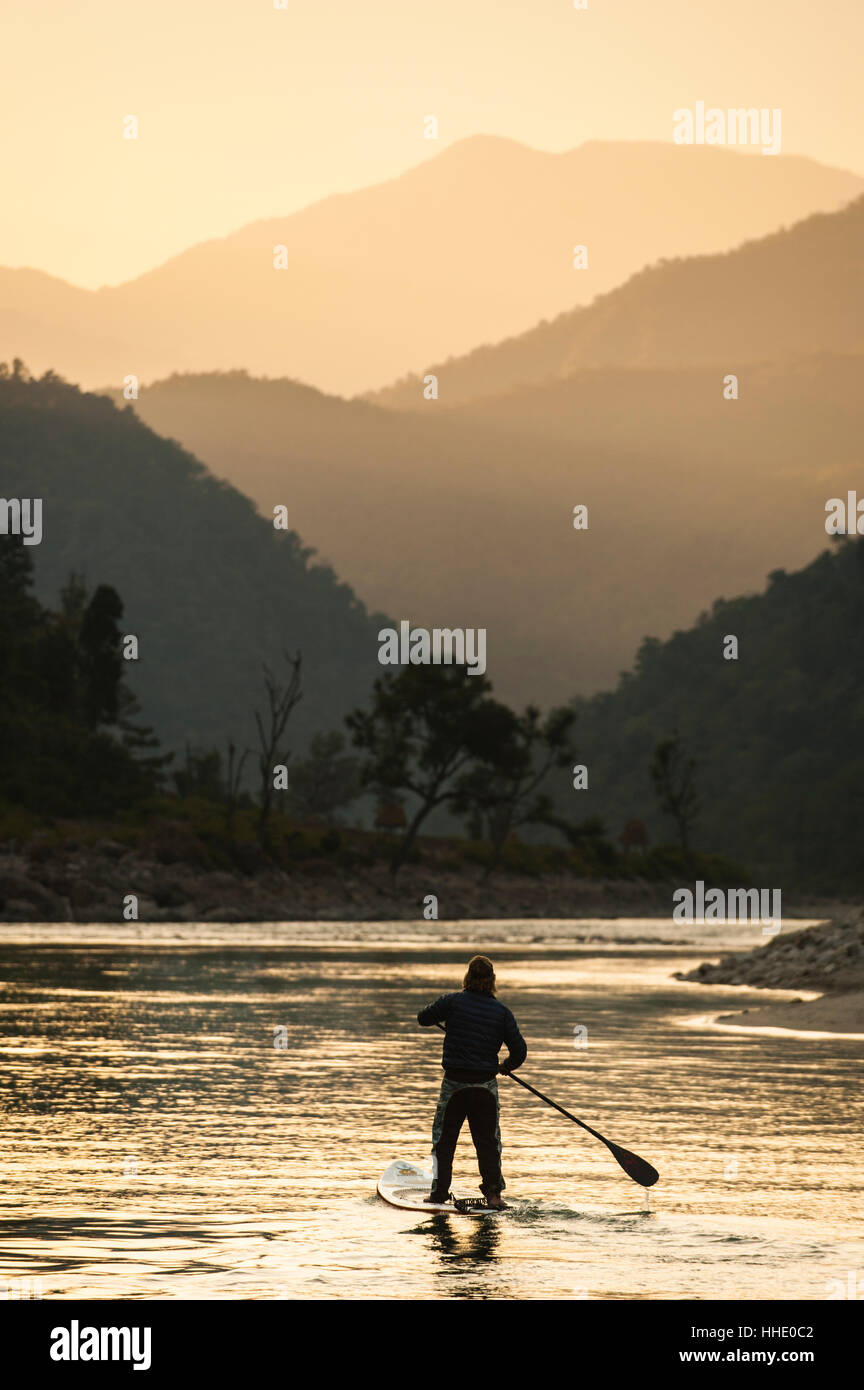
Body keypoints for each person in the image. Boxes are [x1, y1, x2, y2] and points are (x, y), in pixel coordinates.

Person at [417, 954, 527, 1211]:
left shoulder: (452, 1002)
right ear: (492, 981)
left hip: (454, 1086)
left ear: (467, 978)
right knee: (489, 1143)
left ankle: (439, 1193)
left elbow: (423, 1018)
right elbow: (520, 1051)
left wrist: (444, 1016)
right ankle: (494, 1196)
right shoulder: (502, 1013)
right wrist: (505, 1066)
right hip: (485, 1088)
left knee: (443, 1141)